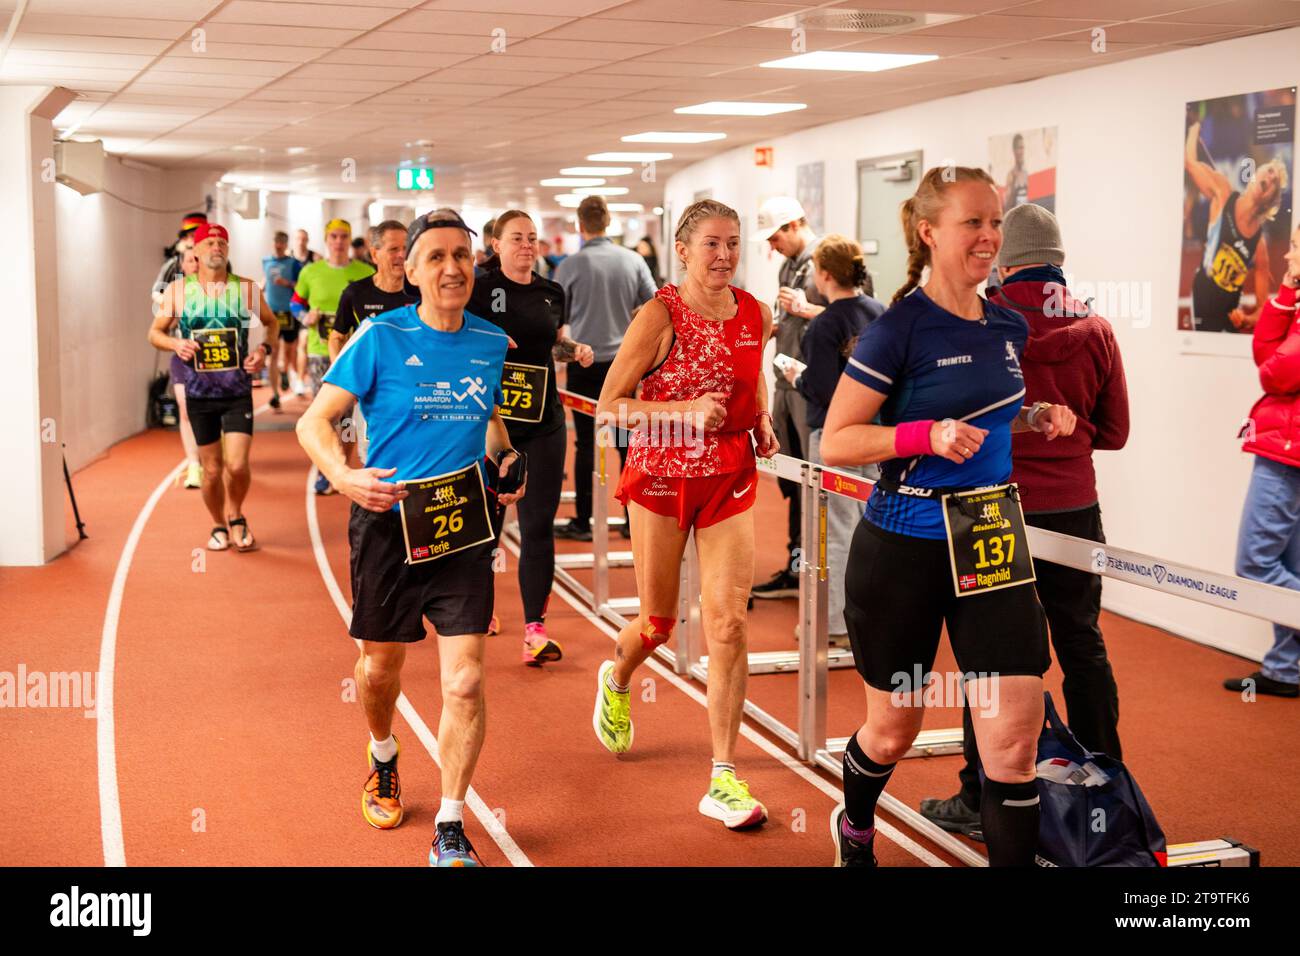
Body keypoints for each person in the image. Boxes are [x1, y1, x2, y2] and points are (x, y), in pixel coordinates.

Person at [820, 166, 1078, 867]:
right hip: (902, 547)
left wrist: (1033, 418)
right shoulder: (897, 329)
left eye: (995, 221)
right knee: (893, 730)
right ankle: (856, 826)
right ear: (930, 232)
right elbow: (838, 440)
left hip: (989, 536)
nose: (990, 236)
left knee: (1014, 743)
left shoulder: (1007, 323)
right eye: (974, 222)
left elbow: (984, 421)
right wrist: (922, 435)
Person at [296, 208, 524, 866]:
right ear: (411, 270)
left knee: (466, 683)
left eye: (462, 256)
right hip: (386, 521)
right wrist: (343, 476)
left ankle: (451, 821)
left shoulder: (489, 341)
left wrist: (506, 464)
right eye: (436, 257)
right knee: (379, 669)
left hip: (460, 526)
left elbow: (490, 424)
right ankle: (384, 752)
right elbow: (315, 422)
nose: (452, 268)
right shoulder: (378, 336)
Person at [921, 201, 1131, 838]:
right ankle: (1110, 791)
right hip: (1074, 508)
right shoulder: (1095, 328)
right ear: (1060, 263)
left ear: (1001, 261)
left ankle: (980, 794)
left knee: (989, 658)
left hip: (991, 506)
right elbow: (1115, 433)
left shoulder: (978, 324)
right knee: (1083, 644)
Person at [592, 199, 780, 830]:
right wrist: (679, 412)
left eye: (732, 243)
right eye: (711, 245)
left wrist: (760, 419)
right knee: (658, 623)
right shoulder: (659, 314)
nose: (724, 255)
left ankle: (724, 776)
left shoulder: (758, 312)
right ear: (683, 250)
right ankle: (617, 679)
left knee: (728, 625)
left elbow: (749, 380)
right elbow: (609, 407)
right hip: (662, 479)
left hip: (729, 478)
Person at [468, 211, 594, 665]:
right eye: (517, 238)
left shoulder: (551, 291)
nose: (527, 245)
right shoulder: (478, 290)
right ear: (496, 245)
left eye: (532, 238)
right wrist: (487, 342)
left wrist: (572, 350)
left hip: (544, 420)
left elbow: (552, 342)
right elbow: (456, 337)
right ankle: (477, 609)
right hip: (490, 419)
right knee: (488, 523)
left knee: (538, 524)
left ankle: (535, 631)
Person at [781, 234, 885, 647]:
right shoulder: (879, 313)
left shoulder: (823, 325)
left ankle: (833, 624)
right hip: (876, 432)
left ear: (823, 275)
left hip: (835, 434)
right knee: (868, 525)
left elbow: (823, 387)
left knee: (831, 531)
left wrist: (796, 376)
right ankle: (867, 616)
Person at [148, 223, 278, 551]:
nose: (216, 247)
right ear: (196, 252)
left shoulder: (246, 289)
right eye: (210, 243)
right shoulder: (178, 291)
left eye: (222, 242)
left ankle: (236, 514)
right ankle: (218, 524)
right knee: (211, 469)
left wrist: (263, 351)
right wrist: (176, 346)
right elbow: (155, 333)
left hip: (236, 391)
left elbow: (272, 323)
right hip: (199, 393)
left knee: (236, 465)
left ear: (228, 250)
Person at [554, 196, 658, 541]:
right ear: (608, 222)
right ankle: (632, 521)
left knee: (586, 443)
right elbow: (655, 307)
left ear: (580, 226)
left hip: (584, 363)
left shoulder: (569, 266)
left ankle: (584, 521)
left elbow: (558, 318)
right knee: (627, 444)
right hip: (624, 366)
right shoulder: (633, 261)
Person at [1225, 225, 1300, 699]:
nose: (1289, 255)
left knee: (1254, 564)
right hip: (1287, 444)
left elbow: (1274, 372)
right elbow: (1264, 349)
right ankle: (1287, 669)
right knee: (1290, 563)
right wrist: (1289, 289)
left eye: (1295, 248)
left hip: (1287, 449)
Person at [749, 197, 830, 600]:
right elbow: (791, 318)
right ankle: (797, 565)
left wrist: (808, 309)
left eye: (777, 235)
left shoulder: (828, 259)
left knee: (815, 481)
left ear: (796, 223)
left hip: (813, 386)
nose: (774, 244)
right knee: (790, 477)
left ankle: (819, 570)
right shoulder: (788, 265)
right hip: (785, 379)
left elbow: (855, 317)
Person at [291, 218, 375, 494]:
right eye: (334, 237)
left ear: (349, 240)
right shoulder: (311, 272)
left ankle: (343, 464)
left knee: (350, 416)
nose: (339, 241)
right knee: (325, 414)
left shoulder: (364, 271)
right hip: (320, 350)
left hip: (355, 353)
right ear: (326, 240)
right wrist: (306, 316)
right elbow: (295, 303)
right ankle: (328, 468)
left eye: (343, 237)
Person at [1185, 120, 1287, 332]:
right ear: (1254, 174)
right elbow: (1190, 162)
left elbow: (1260, 310)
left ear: (1271, 200)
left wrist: (1247, 319)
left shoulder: (1259, 246)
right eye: (1268, 171)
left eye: (1275, 182)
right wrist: (1194, 128)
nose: (1270, 178)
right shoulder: (1223, 192)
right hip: (1203, 298)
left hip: (1229, 312)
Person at [262, 230, 303, 411]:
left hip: (288, 312)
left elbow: (301, 286)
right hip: (271, 313)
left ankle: (284, 370)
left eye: (281, 242)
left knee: (287, 351)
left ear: (286, 245)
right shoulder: (266, 262)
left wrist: (287, 283)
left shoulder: (294, 264)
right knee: (272, 351)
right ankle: (275, 394)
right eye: (276, 242)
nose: (278, 245)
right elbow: (266, 280)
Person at [1003, 132, 1029, 212]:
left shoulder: (1026, 172)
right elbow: (1006, 206)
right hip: (1016, 219)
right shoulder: (1011, 175)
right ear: (1014, 150)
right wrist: (1013, 186)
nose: (1021, 151)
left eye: (1023, 148)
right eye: (1019, 148)